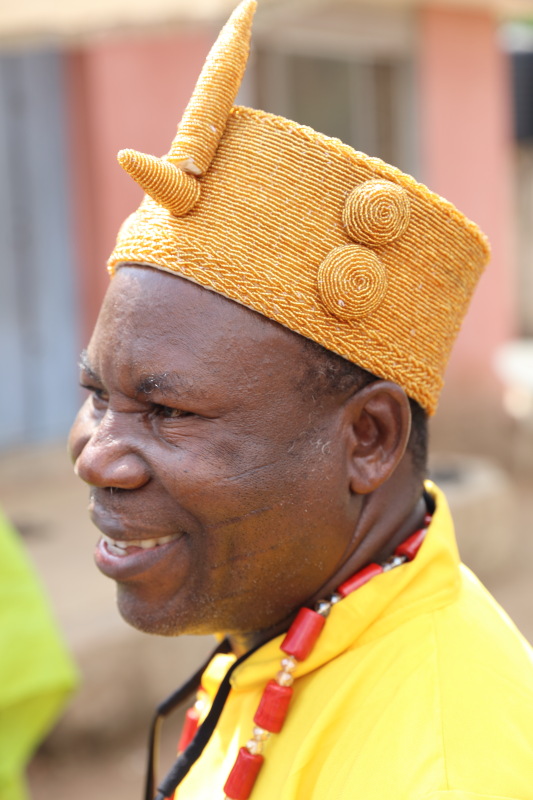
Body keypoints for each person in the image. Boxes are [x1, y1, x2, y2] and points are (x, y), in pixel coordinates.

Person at [68, 2, 533, 799]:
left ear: (368, 440)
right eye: (95, 394)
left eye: (168, 411)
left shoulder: (442, 770)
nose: (97, 457)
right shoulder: (289, 617)